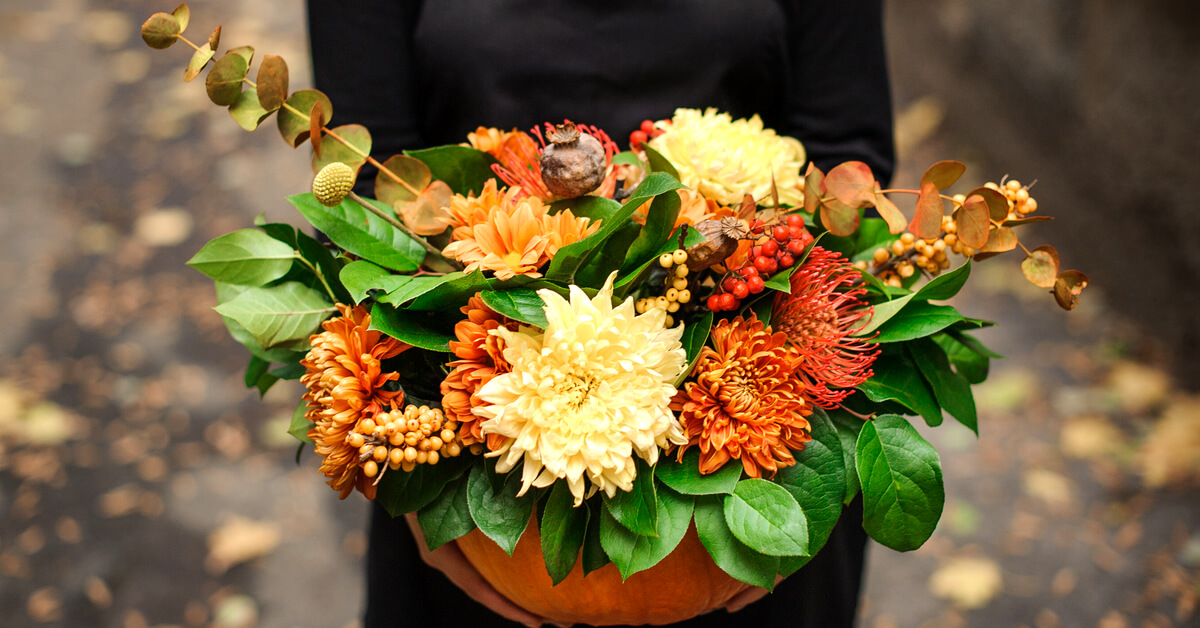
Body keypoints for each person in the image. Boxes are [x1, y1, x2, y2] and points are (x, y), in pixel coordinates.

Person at [306, 2, 894, 626]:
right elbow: (365, 193)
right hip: (479, 468)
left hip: (762, 477)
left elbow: (845, 164)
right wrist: (414, 497)